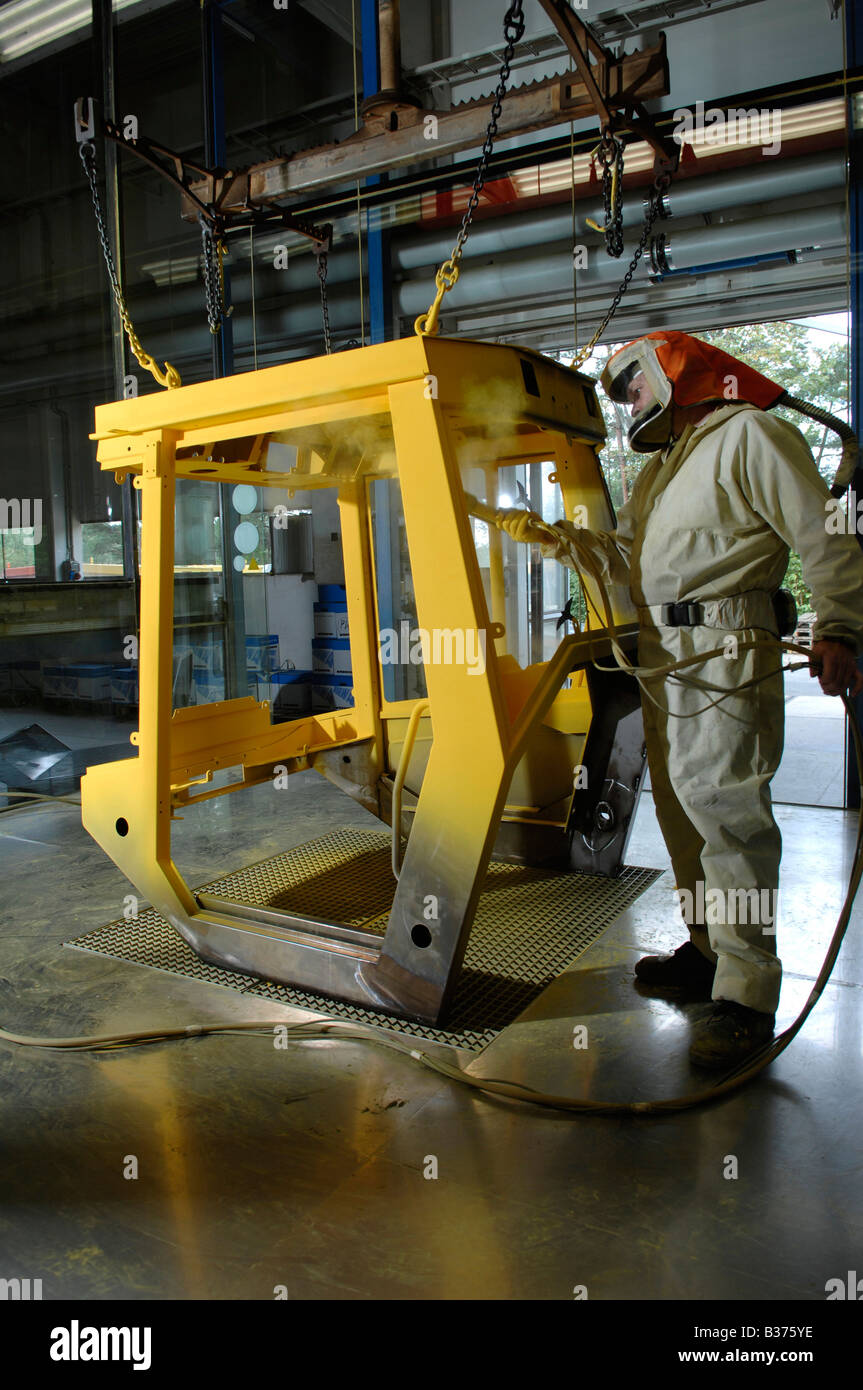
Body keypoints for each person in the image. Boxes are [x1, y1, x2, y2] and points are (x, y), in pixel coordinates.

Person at [500, 331, 863, 1068]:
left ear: (672, 374)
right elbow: (627, 554)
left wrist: (842, 629)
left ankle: (746, 994)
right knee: (679, 811)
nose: (629, 405)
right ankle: (706, 955)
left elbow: (826, 534)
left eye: (632, 388)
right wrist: (558, 539)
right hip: (666, 655)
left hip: (727, 649)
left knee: (727, 815)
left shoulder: (751, 435)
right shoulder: (664, 467)